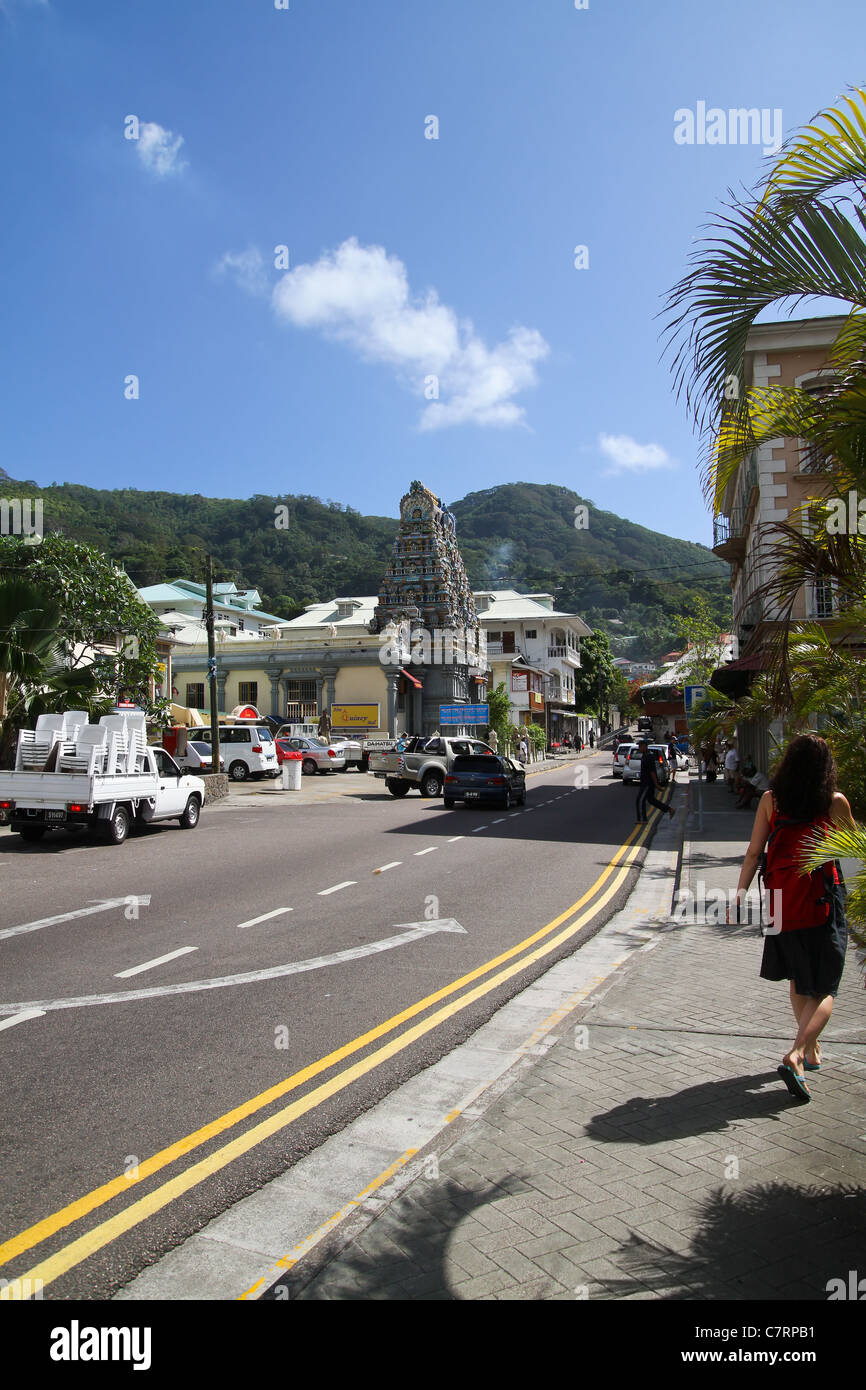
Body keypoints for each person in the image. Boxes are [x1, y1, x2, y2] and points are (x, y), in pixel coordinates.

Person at [729, 734, 853, 1104]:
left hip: (780, 903)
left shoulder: (772, 800)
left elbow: (753, 854)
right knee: (827, 986)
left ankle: (811, 1052)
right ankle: (797, 1053)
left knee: (800, 978)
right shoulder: (833, 802)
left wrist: (738, 896)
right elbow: (854, 861)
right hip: (822, 901)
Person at [635, 739, 675, 824]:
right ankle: (669, 809)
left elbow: (652, 772)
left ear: (645, 747)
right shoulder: (644, 756)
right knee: (651, 800)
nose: (639, 748)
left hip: (647, 783)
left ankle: (642, 819)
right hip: (646, 782)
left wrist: (656, 784)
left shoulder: (648, 757)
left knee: (640, 800)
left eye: (640, 747)